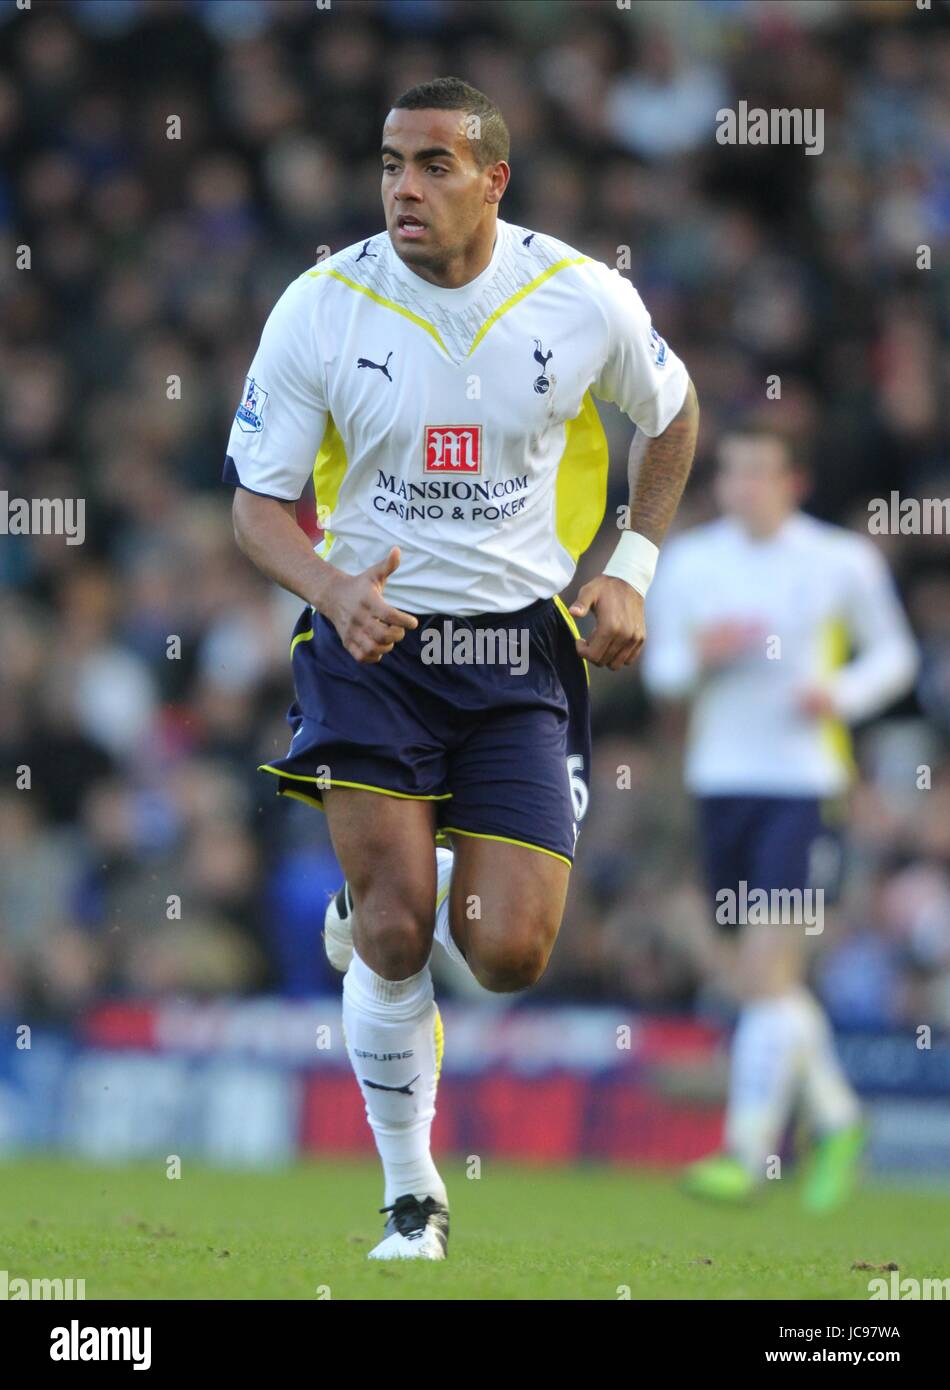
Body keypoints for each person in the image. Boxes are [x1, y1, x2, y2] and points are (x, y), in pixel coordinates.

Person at [225, 77, 698, 1258]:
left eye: (434, 164)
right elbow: (254, 507)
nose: (403, 187)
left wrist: (630, 562)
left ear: (494, 179)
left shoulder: (578, 296)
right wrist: (330, 586)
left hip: (516, 650)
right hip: (369, 641)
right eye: (390, 161)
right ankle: (410, 1197)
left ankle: (375, 893)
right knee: (396, 930)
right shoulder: (319, 308)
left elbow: (672, 411)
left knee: (507, 951)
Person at [642, 428, 918, 1211]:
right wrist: (703, 655)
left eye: (763, 472)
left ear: (792, 480)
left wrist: (844, 695)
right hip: (719, 784)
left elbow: (892, 655)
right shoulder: (693, 563)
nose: (747, 486)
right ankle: (838, 1119)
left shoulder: (839, 561)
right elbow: (662, 674)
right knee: (756, 982)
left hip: (803, 785)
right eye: (734, 472)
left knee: (767, 975)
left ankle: (746, 1153)